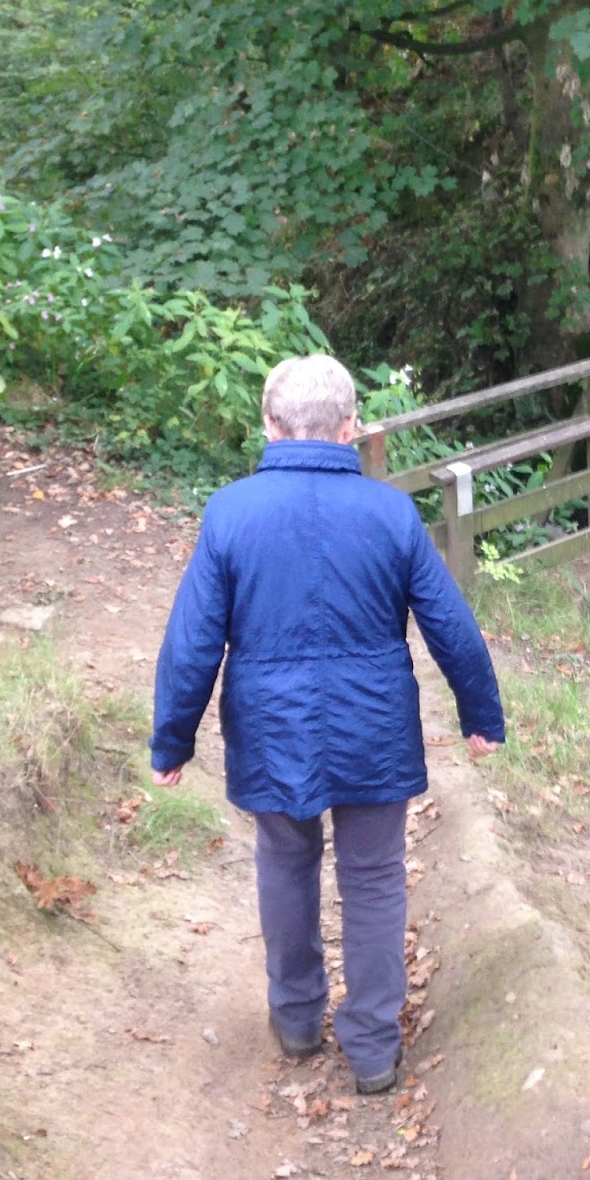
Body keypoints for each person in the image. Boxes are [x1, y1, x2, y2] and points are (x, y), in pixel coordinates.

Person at [149, 354, 505, 1092]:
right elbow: (451, 624)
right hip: (373, 723)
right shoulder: (390, 513)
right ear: (351, 428)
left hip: (271, 725)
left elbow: (192, 640)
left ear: (269, 425)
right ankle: (373, 1048)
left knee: (284, 861)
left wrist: (171, 740)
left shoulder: (231, 512)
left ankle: (297, 1020)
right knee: (373, 878)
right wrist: (480, 713)